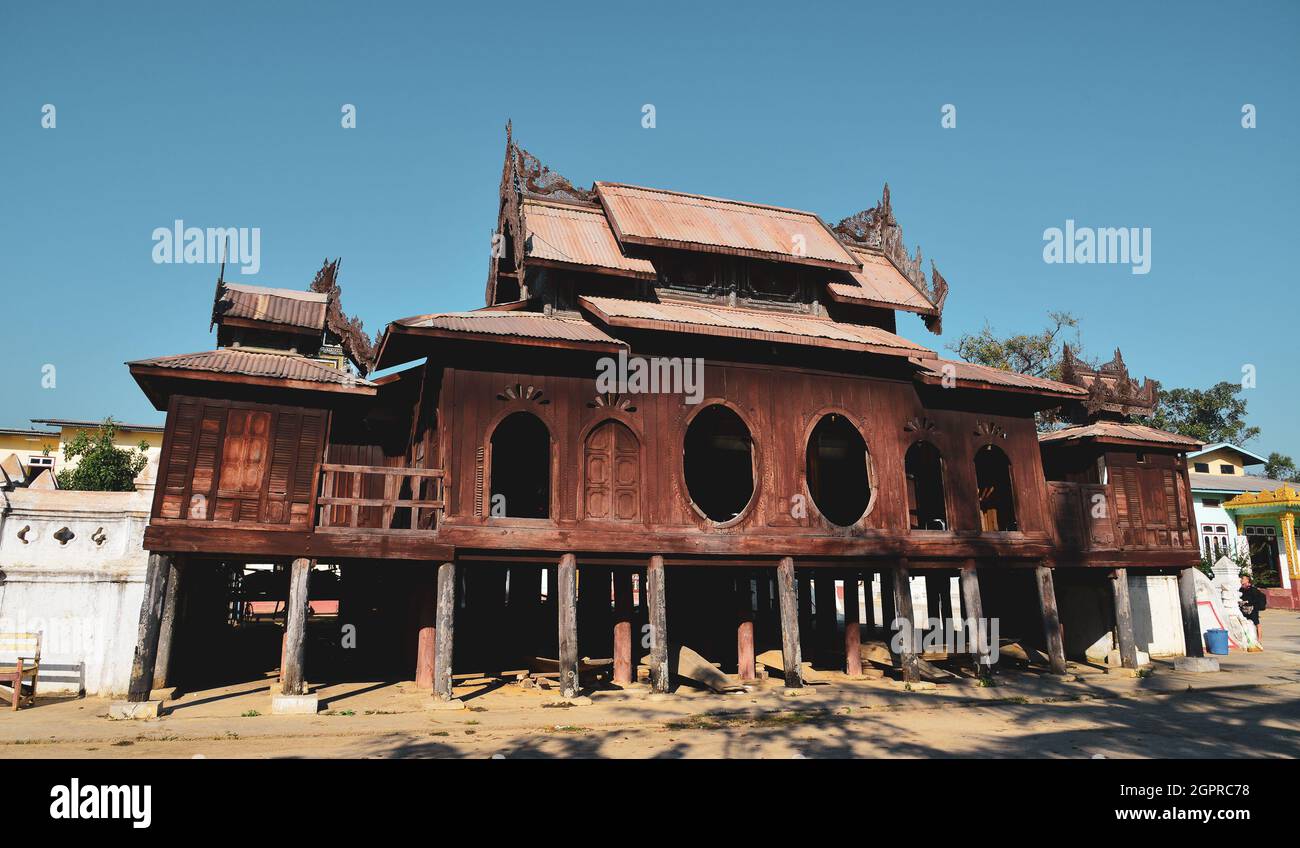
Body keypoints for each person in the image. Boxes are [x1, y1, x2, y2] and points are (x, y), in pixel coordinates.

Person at [1240, 575, 1268, 647]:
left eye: (1243, 579)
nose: (1241, 580)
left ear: (1247, 580)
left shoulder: (1253, 589)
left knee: (1257, 624)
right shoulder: (1241, 589)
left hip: (1253, 609)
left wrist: (1247, 601)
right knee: (1244, 623)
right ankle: (1249, 638)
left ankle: (1259, 640)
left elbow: (1255, 599)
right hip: (1244, 609)